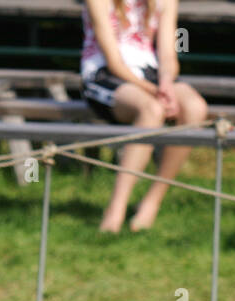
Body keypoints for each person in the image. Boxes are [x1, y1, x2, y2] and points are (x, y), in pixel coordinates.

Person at [80, 0, 209, 232]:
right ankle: (116, 209)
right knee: (152, 110)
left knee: (195, 107)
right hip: (104, 73)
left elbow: (169, 56)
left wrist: (167, 84)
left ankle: (153, 200)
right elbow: (114, 61)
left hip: (149, 73)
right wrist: (156, 92)